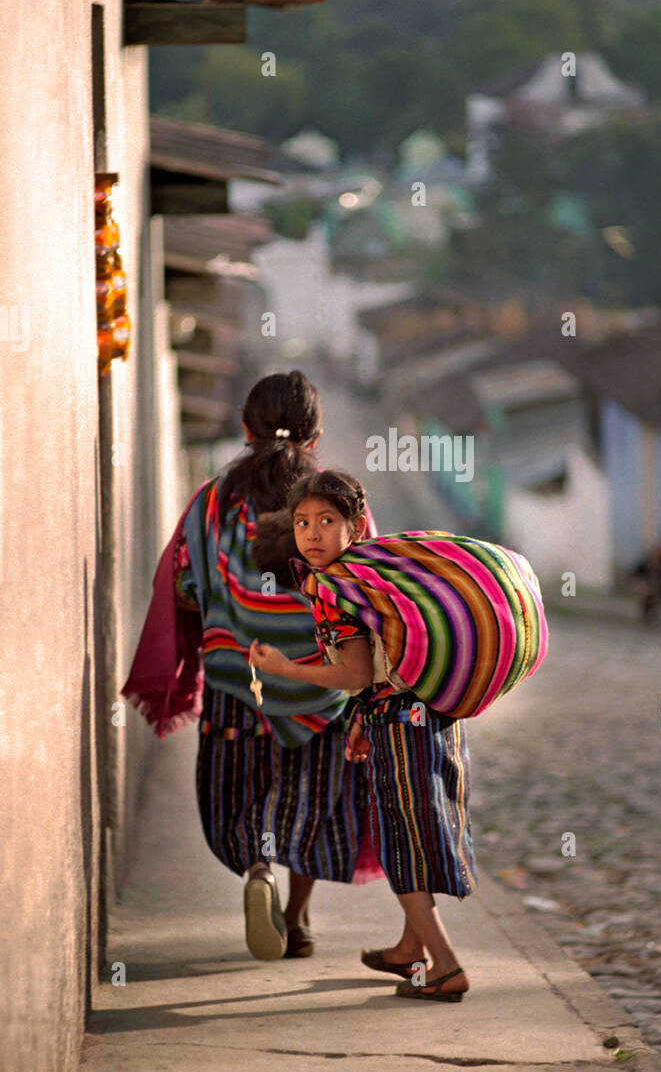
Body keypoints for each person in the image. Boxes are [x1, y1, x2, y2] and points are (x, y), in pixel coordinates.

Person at [123, 372, 382, 963]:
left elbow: (187, 585)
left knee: (240, 790)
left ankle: (258, 868)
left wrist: (231, 603)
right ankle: (297, 917)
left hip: (238, 683)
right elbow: (374, 585)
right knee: (311, 799)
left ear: (245, 428)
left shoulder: (214, 500)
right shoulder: (337, 502)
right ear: (316, 434)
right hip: (324, 686)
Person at [250, 470, 477, 1003]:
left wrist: (286, 667)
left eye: (327, 521)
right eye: (302, 522)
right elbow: (384, 659)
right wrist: (360, 718)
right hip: (435, 717)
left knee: (403, 843)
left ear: (354, 526)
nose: (312, 534)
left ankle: (445, 965)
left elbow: (353, 672)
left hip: (400, 730)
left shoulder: (335, 589)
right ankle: (409, 950)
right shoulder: (376, 575)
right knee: (425, 833)